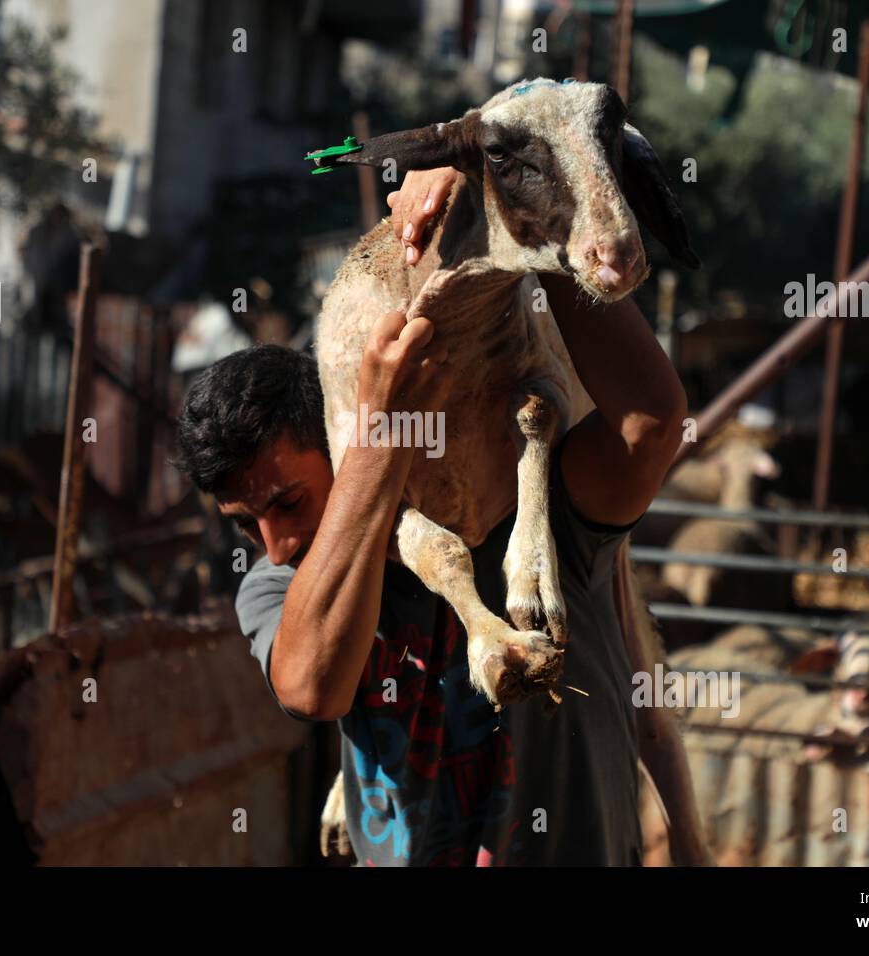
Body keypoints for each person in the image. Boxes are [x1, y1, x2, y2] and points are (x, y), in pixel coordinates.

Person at [175, 168, 708, 866]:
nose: (275, 547)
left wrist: (522, 209)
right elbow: (312, 686)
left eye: (287, 505)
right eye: (246, 525)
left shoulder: (535, 525)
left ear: (332, 440)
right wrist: (379, 439)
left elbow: (652, 423)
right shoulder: (282, 592)